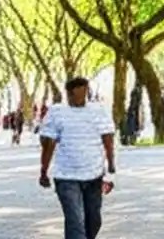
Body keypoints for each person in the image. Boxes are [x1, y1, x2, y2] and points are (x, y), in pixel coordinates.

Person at [39, 77, 116, 239]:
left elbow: (108, 138)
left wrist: (111, 163)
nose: (81, 97)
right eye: (76, 94)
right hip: (66, 177)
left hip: (94, 175)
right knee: (75, 220)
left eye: (84, 92)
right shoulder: (57, 112)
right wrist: (44, 170)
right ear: (68, 94)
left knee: (93, 220)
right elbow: (48, 143)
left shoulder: (98, 111)